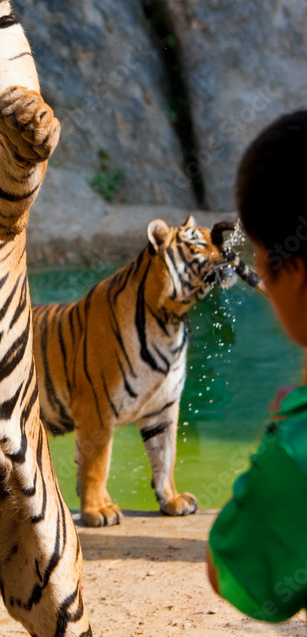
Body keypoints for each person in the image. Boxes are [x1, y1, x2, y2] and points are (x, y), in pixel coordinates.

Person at [207, 109, 307, 623]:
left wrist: (285, 428)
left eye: (266, 259)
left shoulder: (300, 445)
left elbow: (229, 571)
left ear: (295, 271)